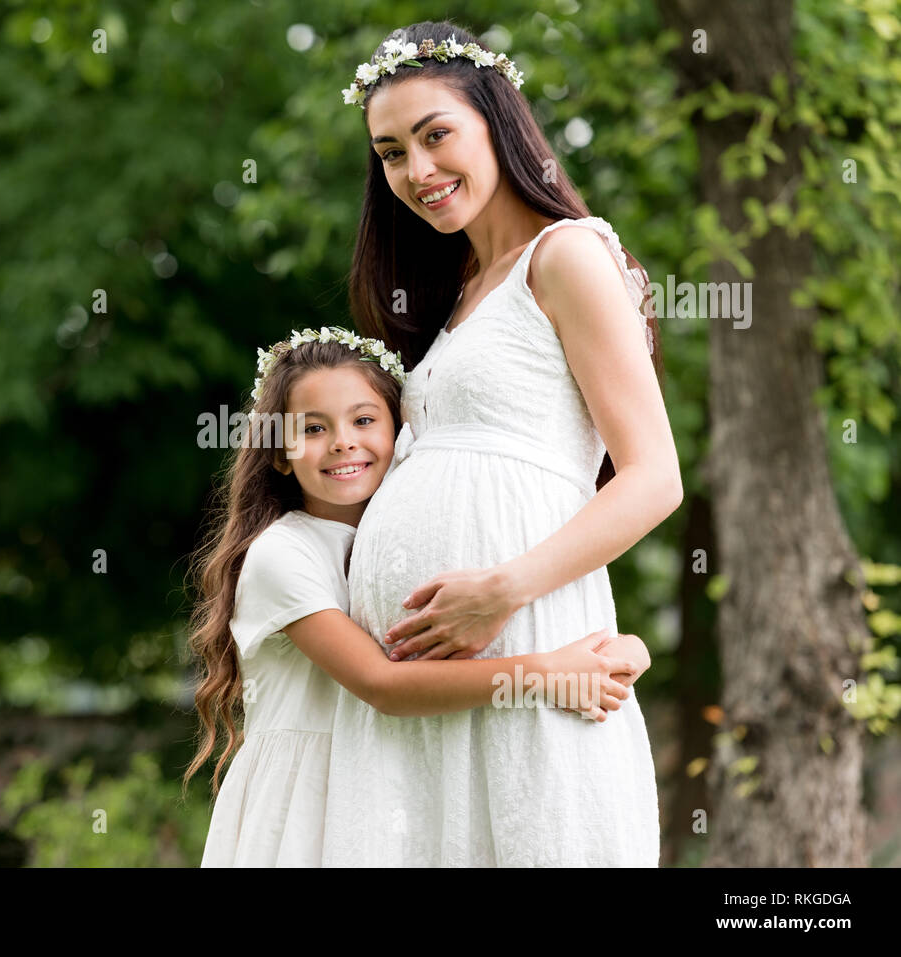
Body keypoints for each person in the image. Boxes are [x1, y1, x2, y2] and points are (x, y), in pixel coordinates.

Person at [324, 21, 682, 866]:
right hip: (436, 686)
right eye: (390, 152)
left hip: (524, 630)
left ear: (498, 123)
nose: (416, 171)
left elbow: (655, 476)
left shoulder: (564, 257)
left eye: (435, 134)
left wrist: (503, 590)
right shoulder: (453, 300)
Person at [185, 327, 651, 866]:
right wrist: (543, 675)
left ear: (401, 430)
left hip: (384, 784)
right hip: (303, 799)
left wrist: (624, 651)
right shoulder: (281, 556)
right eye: (313, 428)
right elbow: (384, 684)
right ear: (281, 455)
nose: (342, 442)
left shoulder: (392, 542)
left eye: (363, 420)